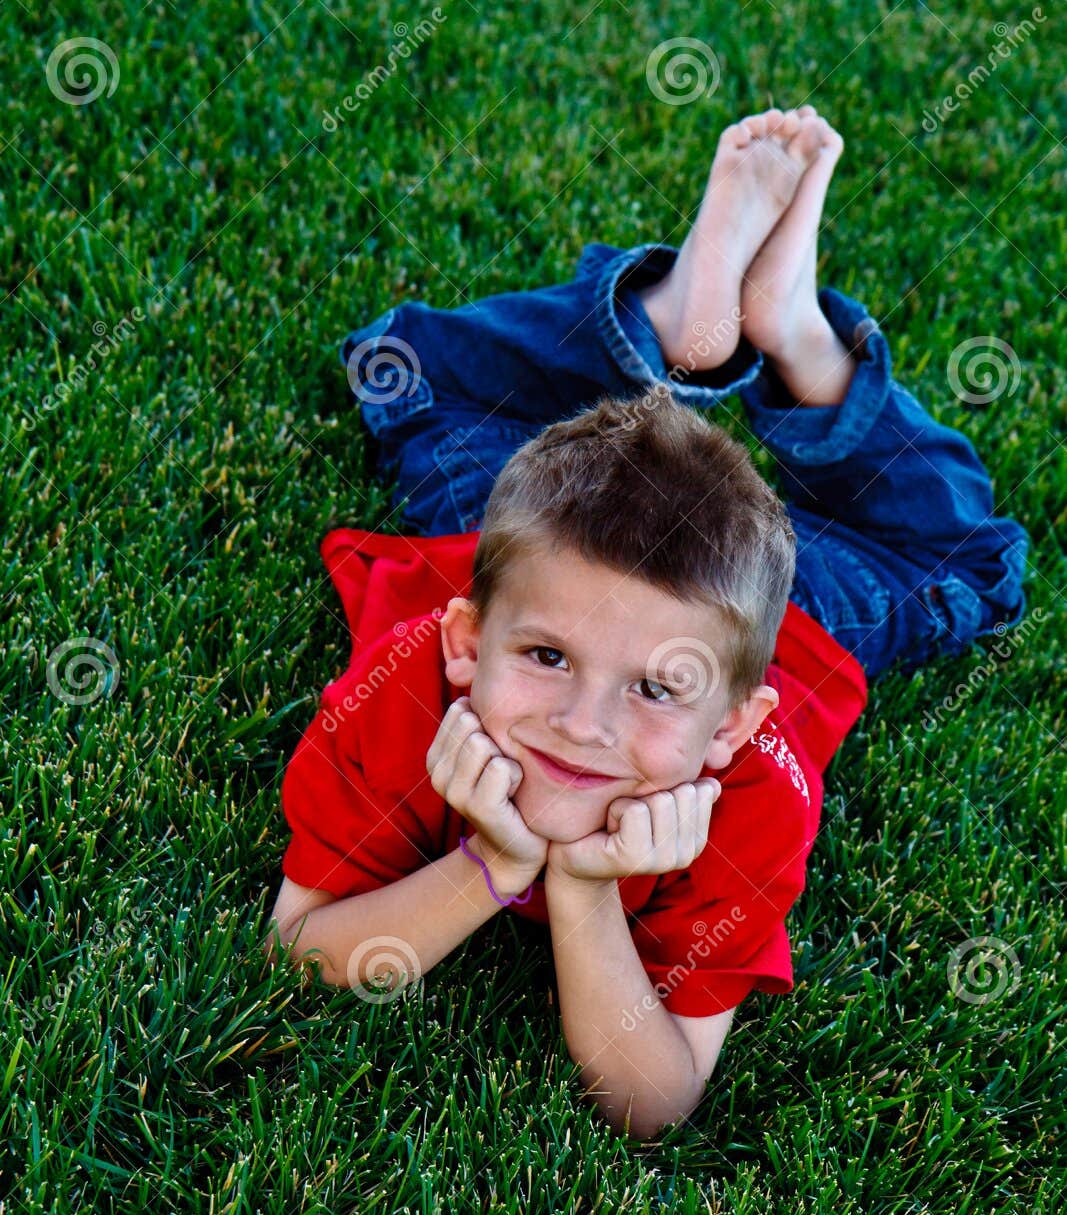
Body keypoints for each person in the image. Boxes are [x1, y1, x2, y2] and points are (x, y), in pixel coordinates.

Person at [266, 106, 1029, 1140]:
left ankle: (774, 332)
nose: (583, 724)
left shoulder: (751, 793)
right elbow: (299, 953)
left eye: (654, 689)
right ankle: (709, 328)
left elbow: (652, 1100)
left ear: (731, 725)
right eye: (545, 659)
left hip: (786, 608)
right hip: (533, 551)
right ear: (465, 644)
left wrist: (580, 889)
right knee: (399, 367)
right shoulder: (406, 689)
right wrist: (486, 868)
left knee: (974, 569)